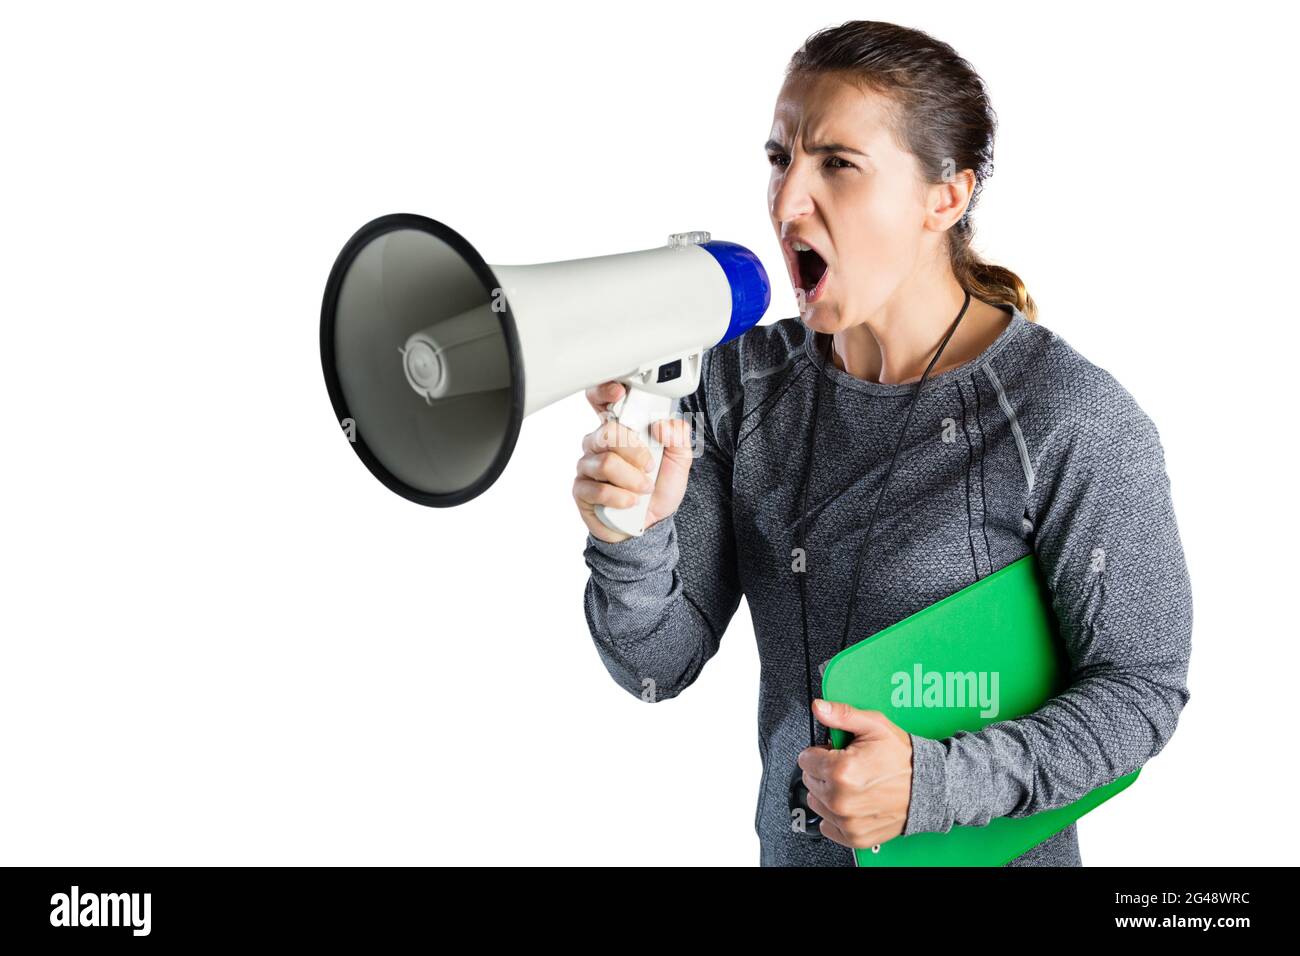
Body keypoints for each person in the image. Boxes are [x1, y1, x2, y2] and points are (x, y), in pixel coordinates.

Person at [573, 20, 1193, 866]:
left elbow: (1140, 693)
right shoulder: (737, 384)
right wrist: (629, 535)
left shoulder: (1069, 416)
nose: (788, 201)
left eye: (837, 164)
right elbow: (660, 662)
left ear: (946, 198)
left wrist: (933, 785)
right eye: (779, 158)